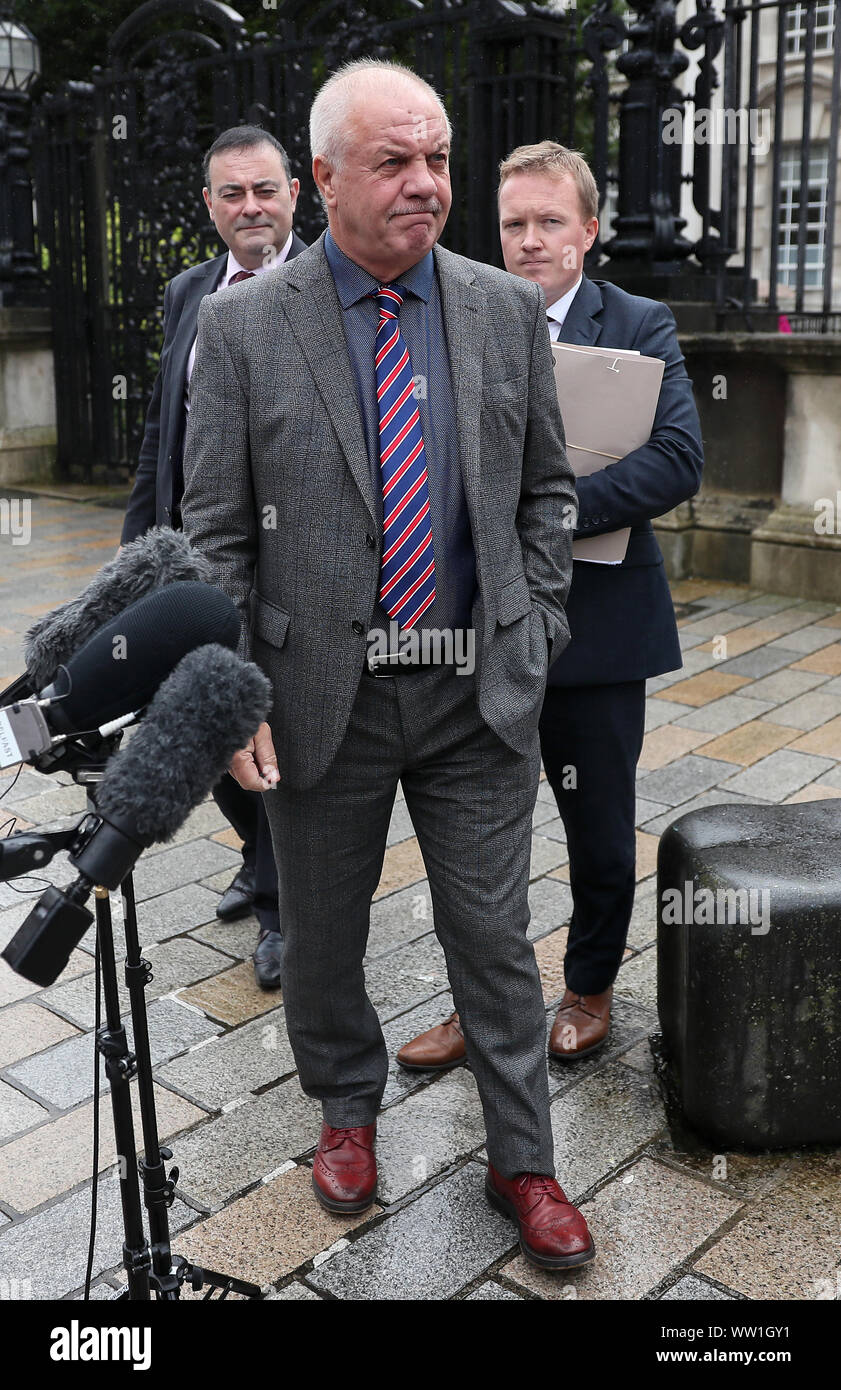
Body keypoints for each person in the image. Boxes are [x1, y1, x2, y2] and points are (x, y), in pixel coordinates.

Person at [182, 62, 595, 1272]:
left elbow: (547, 491)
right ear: (323, 179)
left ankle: (523, 1159)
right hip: (322, 696)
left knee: (493, 935)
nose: (427, 186)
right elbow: (213, 535)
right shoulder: (247, 324)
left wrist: (534, 629)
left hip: (477, 690)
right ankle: (345, 1107)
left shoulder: (500, 308)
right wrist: (229, 688)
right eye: (393, 162)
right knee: (319, 932)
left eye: (439, 159)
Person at [397, 141, 704, 1072]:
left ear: (588, 230)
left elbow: (677, 458)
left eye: (549, 223)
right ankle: (478, 1000)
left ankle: (587, 987)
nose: (529, 242)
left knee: (599, 830)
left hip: (600, 630)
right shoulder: (457, 316)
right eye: (513, 225)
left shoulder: (640, 321)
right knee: (470, 841)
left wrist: (552, 507)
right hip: (479, 625)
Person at [121, 126, 308, 989]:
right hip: (192, 557)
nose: (250, 208)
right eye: (231, 194)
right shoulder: (188, 292)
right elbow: (163, 430)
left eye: (264, 190)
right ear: (209, 206)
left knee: (271, 731)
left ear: (295, 194)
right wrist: (137, 559)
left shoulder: (322, 290)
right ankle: (251, 857)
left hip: (289, 569)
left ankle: (282, 911)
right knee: (196, 719)